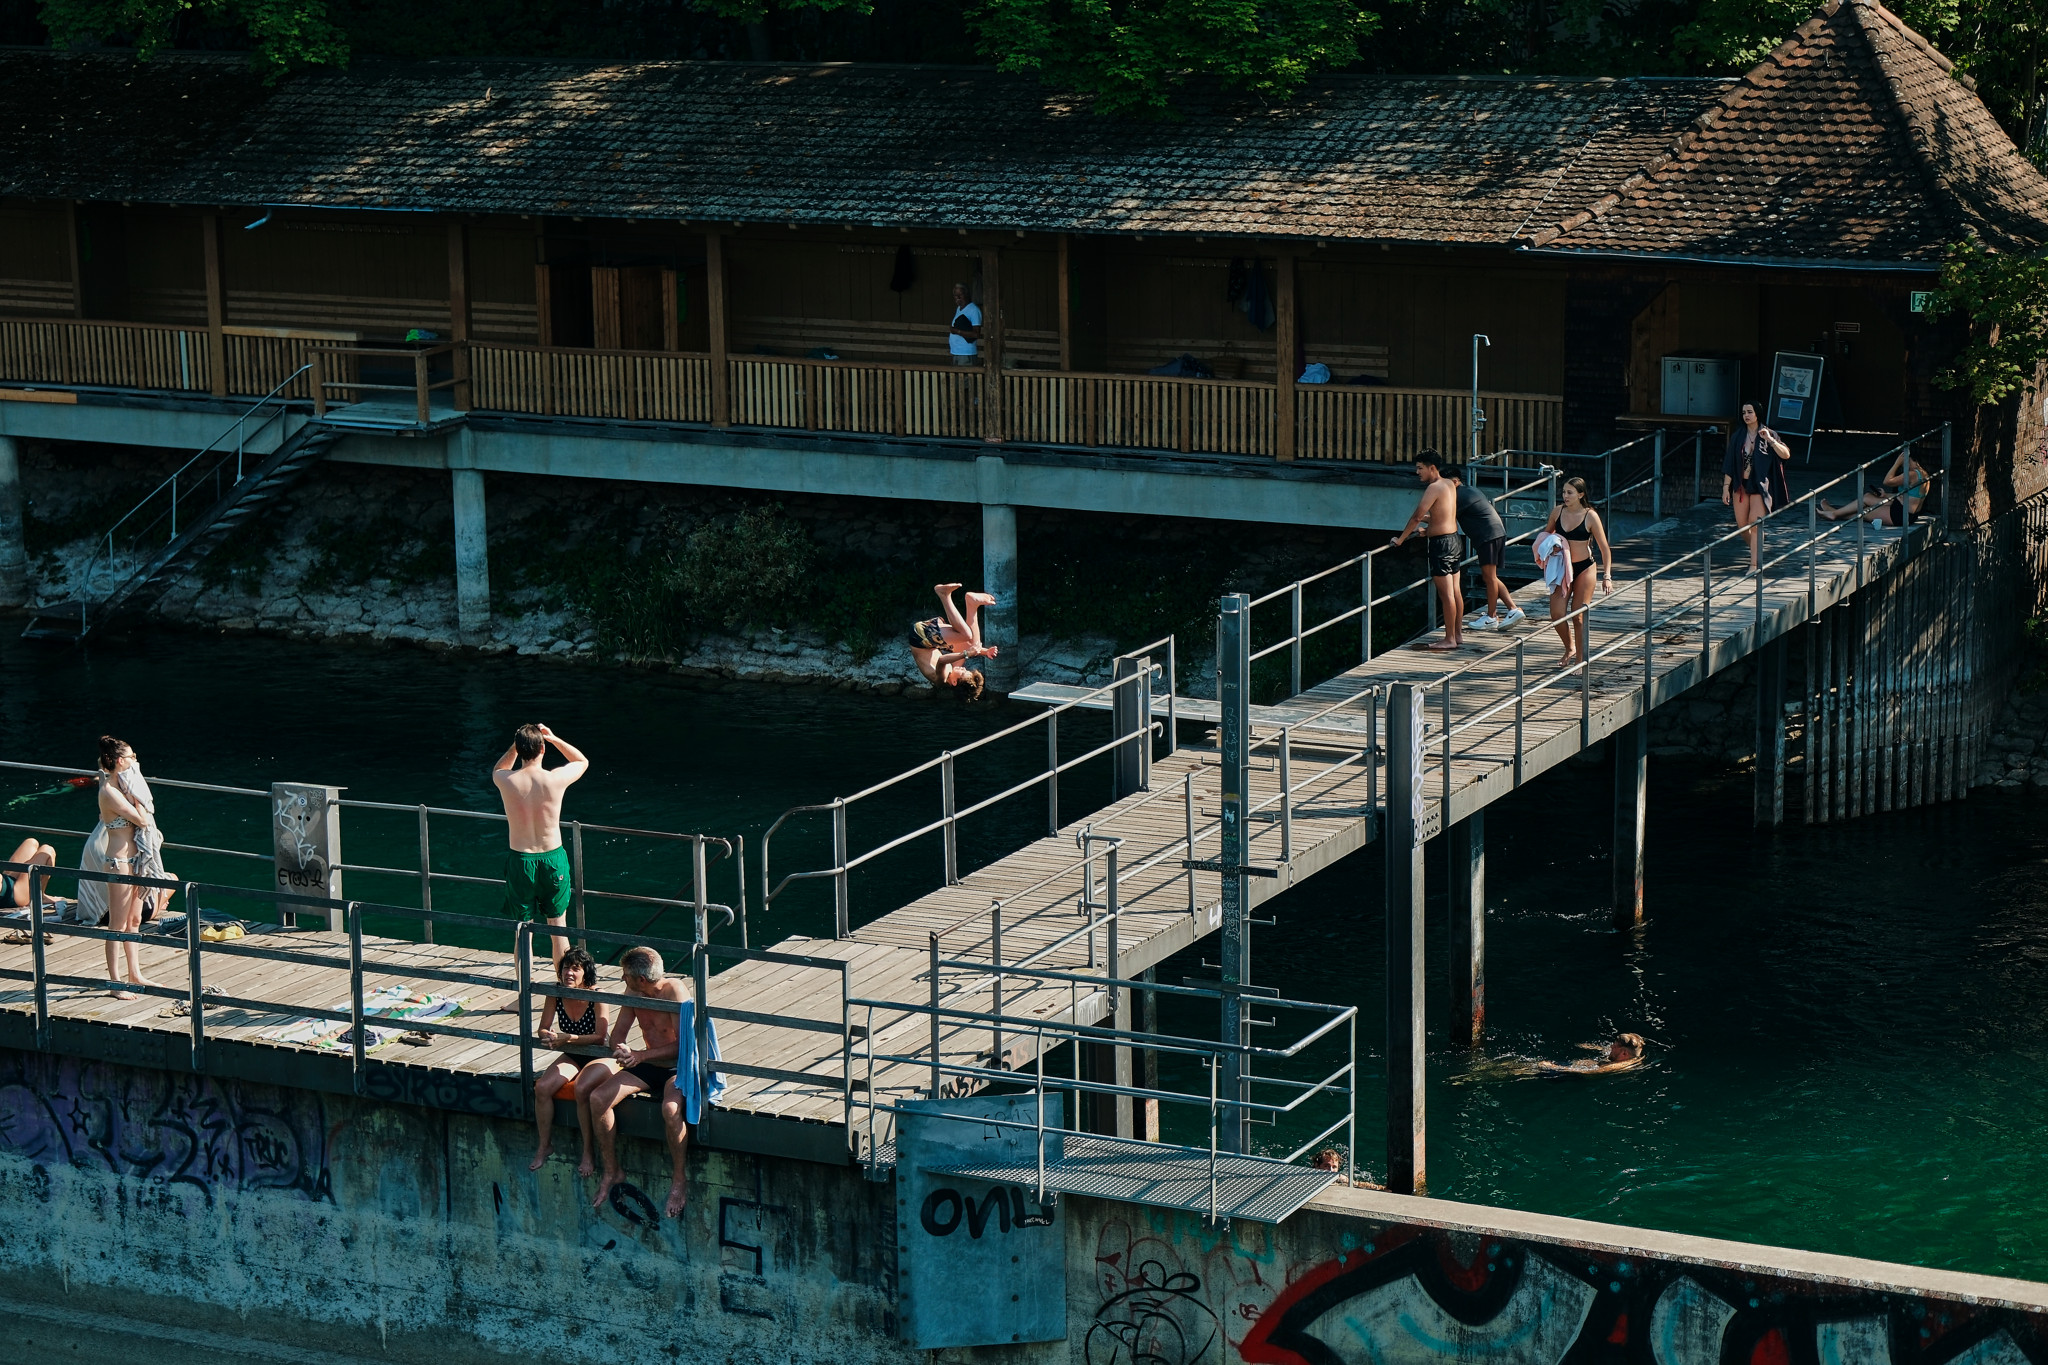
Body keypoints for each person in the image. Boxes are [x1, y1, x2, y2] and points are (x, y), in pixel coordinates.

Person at [577, 945, 688, 1210]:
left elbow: (683, 1046)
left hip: (676, 1067)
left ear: (641, 979)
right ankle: (612, 1170)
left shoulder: (675, 993)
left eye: (625, 975)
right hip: (647, 1062)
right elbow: (618, 1034)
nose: (622, 979)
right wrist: (623, 1051)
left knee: (671, 1109)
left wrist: (640, 1056)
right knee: (598, 1097)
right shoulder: (633, 992)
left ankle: (679, 1179)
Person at [76, 736, 172, 1001]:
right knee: (117, 924)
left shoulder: (126, 788)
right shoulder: (109, 791)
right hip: (118, 864)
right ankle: (115, 982)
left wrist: (136, 793)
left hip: (136, 861)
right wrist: (139, 797)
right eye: (132, 757)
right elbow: (141, 818)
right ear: (120, 761)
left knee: (135, 920)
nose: (135, 761)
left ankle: (135, 974)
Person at [490, 723, 588, 970]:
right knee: (558, 929)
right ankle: (563, 995)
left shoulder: (506, 779)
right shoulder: (555, 779)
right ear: (542, 749)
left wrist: (516, 744)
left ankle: (523, 995)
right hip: (553, 858)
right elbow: (582, 761)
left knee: (523, 931)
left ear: (519, 750)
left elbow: (499, 767)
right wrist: (554, 738)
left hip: (521, 860)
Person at [529, 945, 613, 1172]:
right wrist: (548, 1036)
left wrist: (569, 1038)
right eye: (566, 967)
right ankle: (544, 1145)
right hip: (573, 1051)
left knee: (581, 1089)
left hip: (599, 1054)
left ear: (586, 972)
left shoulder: (597, 996)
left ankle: (587, 1151)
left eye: (576, 969)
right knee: (543, 1087)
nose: (569, 973)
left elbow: (600, 1037)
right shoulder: (555, 993)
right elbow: (542, 1028)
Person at [1388, 450, 1464, 651]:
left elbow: (1416, 516)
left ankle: (1449, 639)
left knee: (1446, 594)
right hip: (1455, 540)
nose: (1417, 472)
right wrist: (1428, 530)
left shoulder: (1434, 487)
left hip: (1441, 545)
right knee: (1455, 591)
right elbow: (1444, 516)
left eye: (1420, 468)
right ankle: (1457, 634)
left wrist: (1401, 539)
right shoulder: (1449, 484)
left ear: (1432, 468)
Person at [1543, 477, 1613, 668]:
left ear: (1581, 495)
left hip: (1585, 567)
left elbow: (1605, 549)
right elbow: (1545, 535)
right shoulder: (1557, 512)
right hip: (1562, 567)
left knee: (1578, 615)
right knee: (1557, 614)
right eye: (1564, 492)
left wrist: (1607, 576)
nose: (1565, 496)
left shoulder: (1590, 516)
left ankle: (1580, 658)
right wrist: (1552, 546)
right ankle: (1570, 647)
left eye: (1569, 492)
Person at [1448, 465, 1523, 631]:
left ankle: (1491, 617)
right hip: (1495, 532)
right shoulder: (1469, 490)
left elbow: (1443, 518)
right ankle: (1512, 609)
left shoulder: (1458, 495)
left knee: (1489, 577)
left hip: (1487, 535)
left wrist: (1420, 520)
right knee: (1492, 576)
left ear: (1454, 481)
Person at [1724, 404, 1791, 573]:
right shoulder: (1738, 436)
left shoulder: (1768, 433)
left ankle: (1754, 565)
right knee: (1742, 526)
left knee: (1755, 523)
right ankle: (1757, 546)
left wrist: (1771, 440)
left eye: (1749, 412)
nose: (1746, 415)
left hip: (1759, 485)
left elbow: (1786, 454)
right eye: (1744, 412)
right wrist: (1726, 487)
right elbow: (1730, 464)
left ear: (1757, 414)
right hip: (1741, 485)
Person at [909, 582, 995, 700]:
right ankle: (972, 604)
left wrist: (967, 654)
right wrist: (984, 652)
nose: (964, 668)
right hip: (932, 642)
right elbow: (965, 651)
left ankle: (944, 596)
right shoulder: (953, 672)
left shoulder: (942, 679)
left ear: (954, 682)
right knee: (973, 643)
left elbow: (942, 660)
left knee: (966, 634)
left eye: (963, 672)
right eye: (966, 670)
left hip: (919, 636)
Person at [1819, 448, 1931, 527]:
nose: (1902, 465)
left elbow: (1887, 481)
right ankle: (1834, 512)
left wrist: (1896, 464)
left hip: (1901, 514)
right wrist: (1886, 495)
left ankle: (1834, 513)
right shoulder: (1924, 474)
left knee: (1864, 511)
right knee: (1867, 497)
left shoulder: (1913, 474)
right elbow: (1909, 496)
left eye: (1903, 461)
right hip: (1905, 511)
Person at [1535, 1033, 1647, 1076]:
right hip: (1573, 1067)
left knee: (1534, 1068)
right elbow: (1607, 1050)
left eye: (1615, 1046)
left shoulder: (1618, 1066)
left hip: (1571, 1076)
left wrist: (1555, 1068)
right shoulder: (1628, 1057)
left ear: (1624, 1053)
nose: (1611, 1047)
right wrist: (1596, 1047)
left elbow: (1590, 1072)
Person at [2, 838, 55, 909]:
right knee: (48, 850)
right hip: (16, 895)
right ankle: (39, 896)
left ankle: (38, 893)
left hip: (7, 880)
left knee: (31, 842)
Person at [947, 283, 983, 366]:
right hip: (956, 352)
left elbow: (976, 334)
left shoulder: (973, 310)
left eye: (961, 294)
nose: (958, 297)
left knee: (965, 378)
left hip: (966, 353)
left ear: (967, 294)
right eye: (956, 295)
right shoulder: (959, 309)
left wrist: (957, 331)